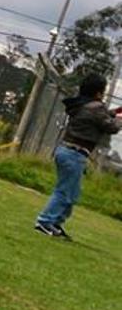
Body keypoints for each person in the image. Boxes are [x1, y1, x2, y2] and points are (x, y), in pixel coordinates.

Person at [35, 73, 122, 240]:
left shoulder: (85, 105)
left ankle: (55, 223)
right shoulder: (96, 107)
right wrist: (119, 117)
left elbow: (101, 115)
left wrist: (115, 112)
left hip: (68, 152)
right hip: (74, 153)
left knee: (71, 193)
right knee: (64, 192)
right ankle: (44, 222)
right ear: (98, 92)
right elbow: (111, 127)